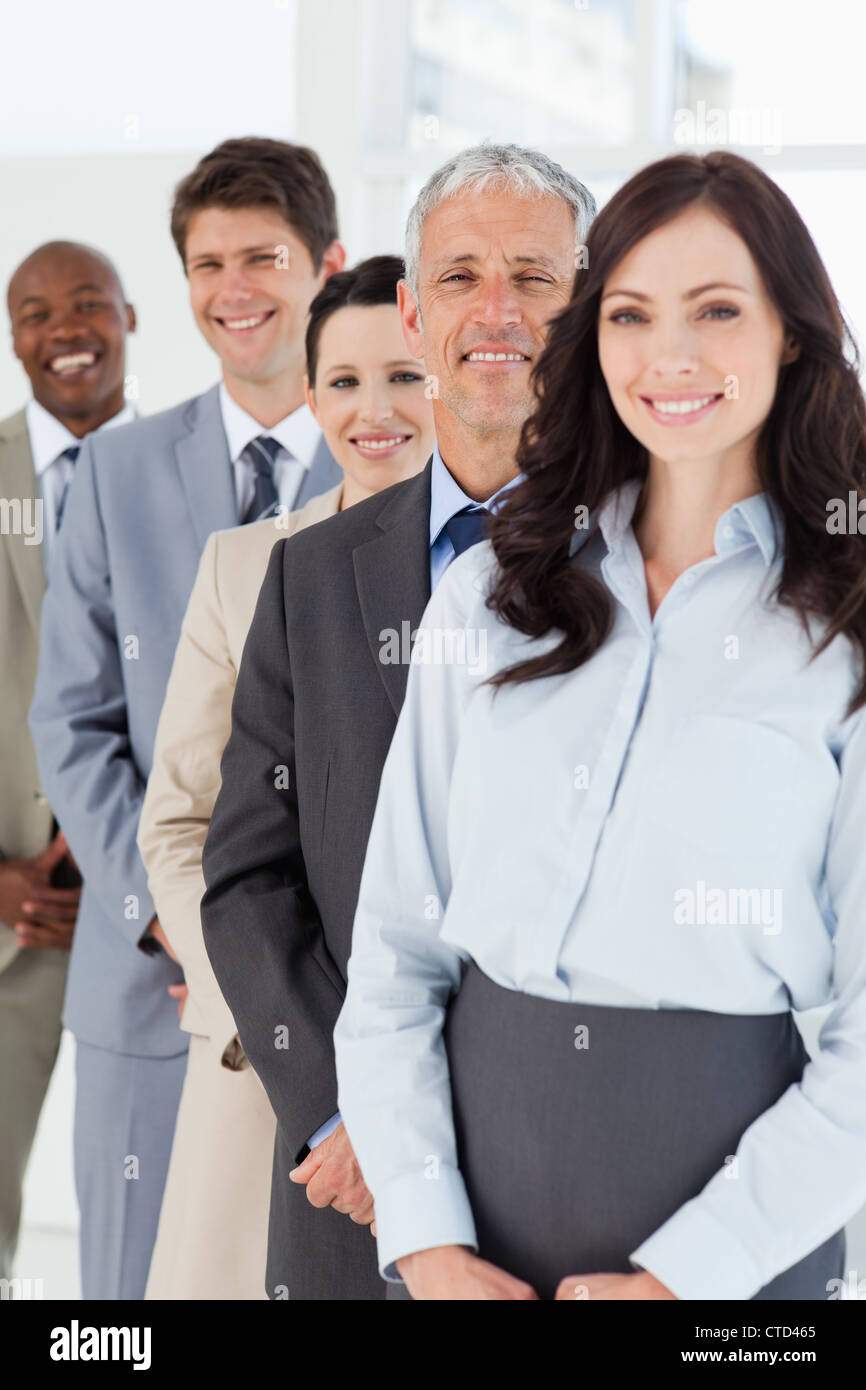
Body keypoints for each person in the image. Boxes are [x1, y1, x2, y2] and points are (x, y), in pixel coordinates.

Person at [334, 150, 866, 1301]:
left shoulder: (847, 631)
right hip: (464, 1233)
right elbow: (393, 954)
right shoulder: (490, 597)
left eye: (716, 309)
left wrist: (685, 1280)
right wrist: (424, 1243)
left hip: (736, 1252)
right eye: (629, 313)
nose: (668, 355)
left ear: (790, 332)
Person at [200, 142, 596, 1300]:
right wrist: (356, 1111)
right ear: (412, 317)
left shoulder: (650, 568)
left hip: (564, 1186)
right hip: (349, 1186)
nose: (496, 310)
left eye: (533, 277)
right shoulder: (307, 578)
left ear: (585, 317)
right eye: (460, 277)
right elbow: (248, 877)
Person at [28, 137, 345, 1301]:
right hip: (146, 977)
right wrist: (172, 920)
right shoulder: (114, 471)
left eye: (261, 255)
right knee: (127, 1300)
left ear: (328, 264)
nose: (234, 288)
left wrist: (269, 949)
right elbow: (73, 719)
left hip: (328, 983)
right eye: (207, 263)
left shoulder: (393, 469)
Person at [138, 255, 434, 1300]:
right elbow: (180, 823)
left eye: (403, 375)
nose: (375, 410)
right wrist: (262, 997)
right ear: (309, 399)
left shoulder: (514, 567)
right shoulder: (247, 565)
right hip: (270, 1060)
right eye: (344, 382)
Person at [0, 240, 136, 1280]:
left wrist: (129, 859)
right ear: (14, 339)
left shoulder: (204, 470)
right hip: (11, 920)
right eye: (38, 313)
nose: (67, 330)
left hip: (151, 921)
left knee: (146, 1205)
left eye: (89, 303)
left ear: (130, 317)